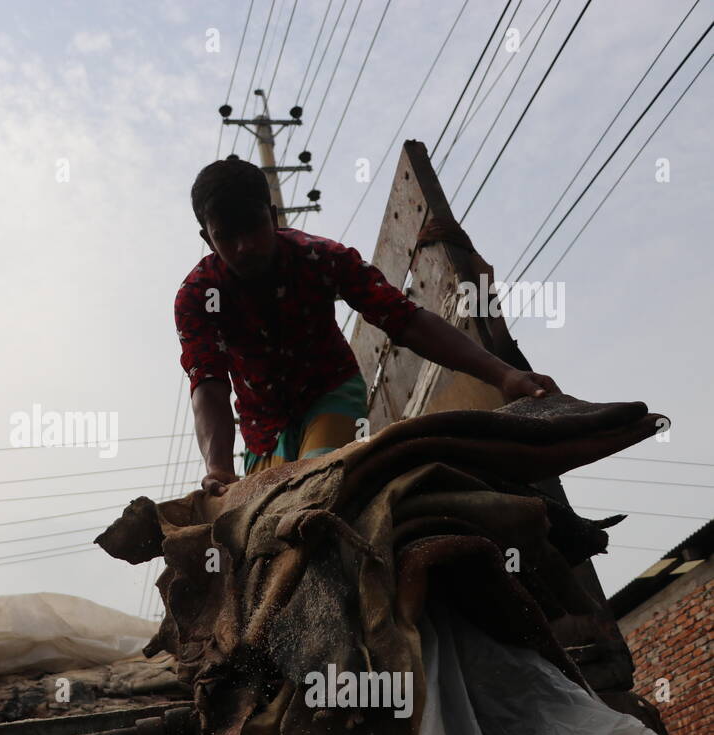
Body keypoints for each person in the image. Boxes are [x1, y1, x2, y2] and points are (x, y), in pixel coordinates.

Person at [176, 157, 560, 495]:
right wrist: (218, 467)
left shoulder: (320, 258)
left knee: (317, 486)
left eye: (254, 227)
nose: (244, 246)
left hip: (331, 393)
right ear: (207, 239)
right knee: (264, 522)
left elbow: (406, 321)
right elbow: (208, 385)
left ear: (273, 218)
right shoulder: (196, 298)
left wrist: (504, 375)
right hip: (262, 431)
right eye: (227, 236)